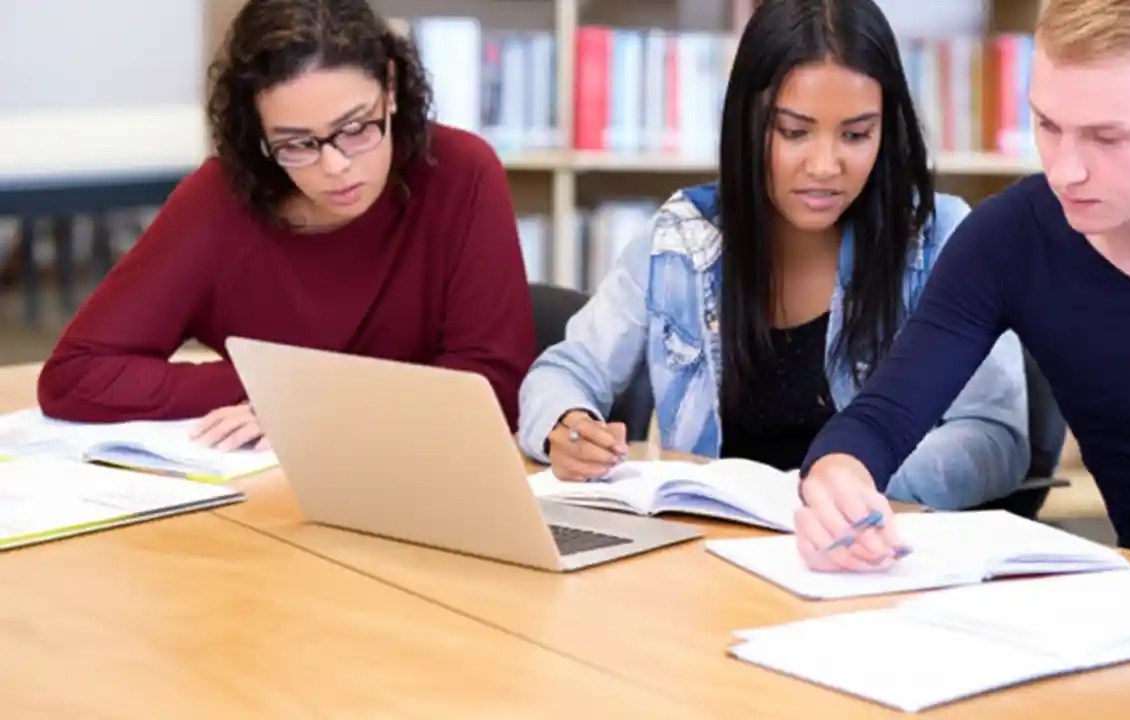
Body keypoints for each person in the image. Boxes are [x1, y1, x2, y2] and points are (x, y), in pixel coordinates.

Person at [796, 0, 1130, 581]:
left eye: (1107, 137)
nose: (1065, 171)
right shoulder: (1011, 237)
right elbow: (883, 417)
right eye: (1048, 125)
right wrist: (838, 477)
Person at [517, 0, 1030, 510]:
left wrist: (851, 480)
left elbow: (994, 440)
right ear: (748, 122)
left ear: (886, 129)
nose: (826, 165)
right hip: (714, 550)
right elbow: (565, 371)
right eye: (794, 132)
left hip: (871, 549)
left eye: (856, 134)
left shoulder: (940, 238)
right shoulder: (680, 238)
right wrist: (567, 425)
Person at [36, 0, 535, 449]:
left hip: (420, 480)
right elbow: (77, 376)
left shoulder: (460, 171)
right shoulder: (218, 199)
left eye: (357, 128)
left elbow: (493, 387)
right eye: (297, 144)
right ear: (258, 134)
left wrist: (317, 407)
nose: (335, 165)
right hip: (261, 503)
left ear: (390, 87)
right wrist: (279, 393)